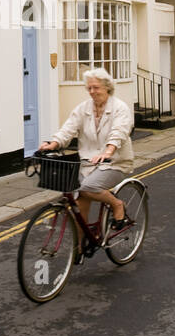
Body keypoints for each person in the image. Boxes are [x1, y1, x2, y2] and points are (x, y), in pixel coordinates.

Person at [37, 67, 134, 231]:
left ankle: (118, 205)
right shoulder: (83, 108)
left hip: (115, 162)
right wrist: (53, 144)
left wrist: (107, 152)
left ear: (107, 87)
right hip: (87, 164)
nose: (92, 91)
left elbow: (119, 132)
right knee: (78, 212)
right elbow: (68, 129)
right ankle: (79, 250)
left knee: (86, 188)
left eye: (96, 87)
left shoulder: (120, 108)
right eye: (89, 88)